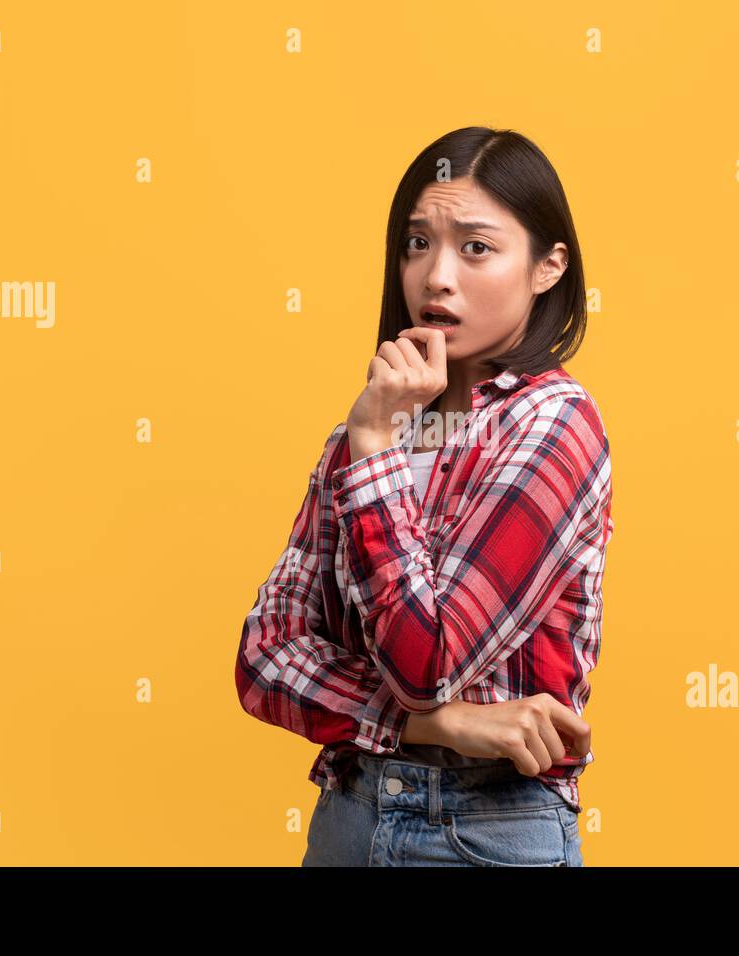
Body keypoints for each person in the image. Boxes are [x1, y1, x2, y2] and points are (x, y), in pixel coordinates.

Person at [235, 126, 614, 866]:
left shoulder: (553, 422)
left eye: (475, 247)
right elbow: (264, 659)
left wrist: (372, 452)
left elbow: (427, 664)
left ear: (548, 267)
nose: (436, 277)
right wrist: (449, 725)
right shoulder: (371, 424)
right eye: (417, 244)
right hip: (348, 814)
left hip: (485, 830)